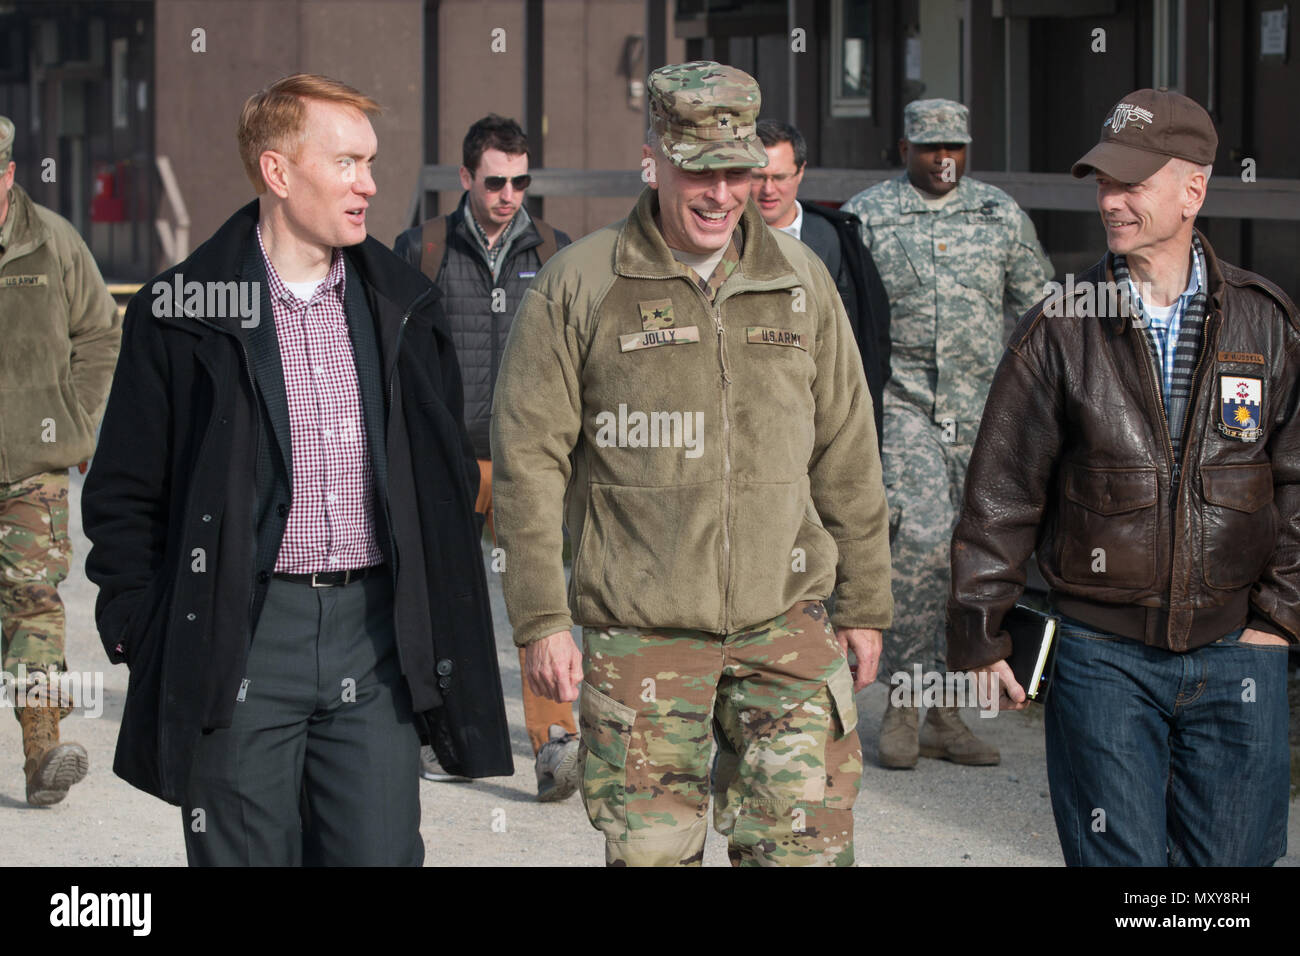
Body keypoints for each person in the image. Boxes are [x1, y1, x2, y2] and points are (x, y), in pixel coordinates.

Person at [82, 74, 511, 866]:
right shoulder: (181, 314)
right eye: (347, 162)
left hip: (374, 644)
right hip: (239, 636)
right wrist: (145, 632)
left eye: (371, 162)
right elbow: (123, 495)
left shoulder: (405, 306)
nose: (369, 184)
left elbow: (441, 476)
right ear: (279, 172)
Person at [491, 61, 892, 867]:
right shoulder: (582, 283)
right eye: (699, 172)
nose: (720, 194)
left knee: (802, 855)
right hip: (642, 638)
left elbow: (847, 447)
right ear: (655, 161)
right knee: (652, 858)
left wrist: (864, 601)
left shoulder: (800, 278)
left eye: (738, 171)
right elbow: (528, 458)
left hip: (785, 628)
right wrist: (540, 617)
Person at [948, 88, 1297, 866]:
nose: (1111, 201)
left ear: (1193, 189)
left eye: (1132, 183)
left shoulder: (1265, 322)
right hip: (1101, 655)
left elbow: (1297, 482)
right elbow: (1001, 491)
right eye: (1104, 182)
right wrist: (980, 634)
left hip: (1239, 649)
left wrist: (1277, 621)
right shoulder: (1059, 325)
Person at [842, 98, 1052, 769]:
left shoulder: (999, 215)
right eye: (930, 147)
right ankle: (906, 702)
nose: (942, 160)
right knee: (926, 541)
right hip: (905, 407)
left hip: (985, 412)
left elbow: (1040, 306)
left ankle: (946, 714)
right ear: (904, 146)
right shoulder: (869, 216)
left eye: (955, 148)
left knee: (974, 558)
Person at [394, 115, 578, 800]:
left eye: (521, 181)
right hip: (447, 457)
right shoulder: (424, 247)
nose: (509, 194)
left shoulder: (555, 250)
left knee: (541, 601)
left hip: (530, 458)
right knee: (444, 602)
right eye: (495, 180)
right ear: (467, 176)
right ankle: (445, 737)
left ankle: (557, 743)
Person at [0, 115, 120, 806]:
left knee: (33, 604)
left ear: (10, 173)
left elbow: (101, 333)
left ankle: (42, 747)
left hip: (32, 465)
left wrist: (77, 423)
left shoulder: (53, 242)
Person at [753, 119, 891, 443]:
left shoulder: (837, 241)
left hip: (822, 421)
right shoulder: (717, 242)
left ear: (800, 172)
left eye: (779, 177)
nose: (768, 189)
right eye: (757, 176)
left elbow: (873, 338)